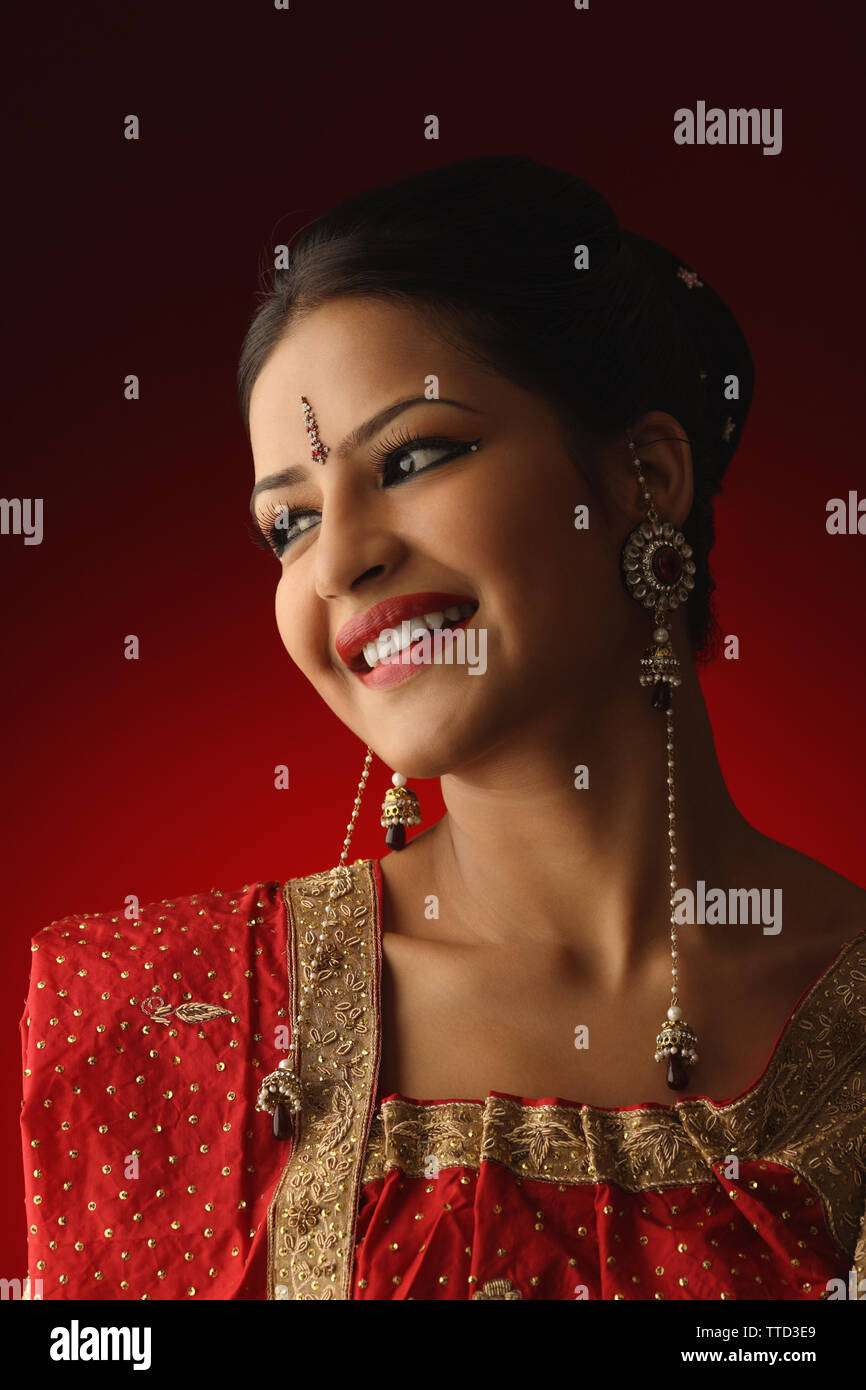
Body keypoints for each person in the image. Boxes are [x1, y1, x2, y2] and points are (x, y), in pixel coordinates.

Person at [20, 155, 866, 1302]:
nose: (338, 560)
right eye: (288, 523)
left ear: (644, 477)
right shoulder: (166, 1021)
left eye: (415, 457)